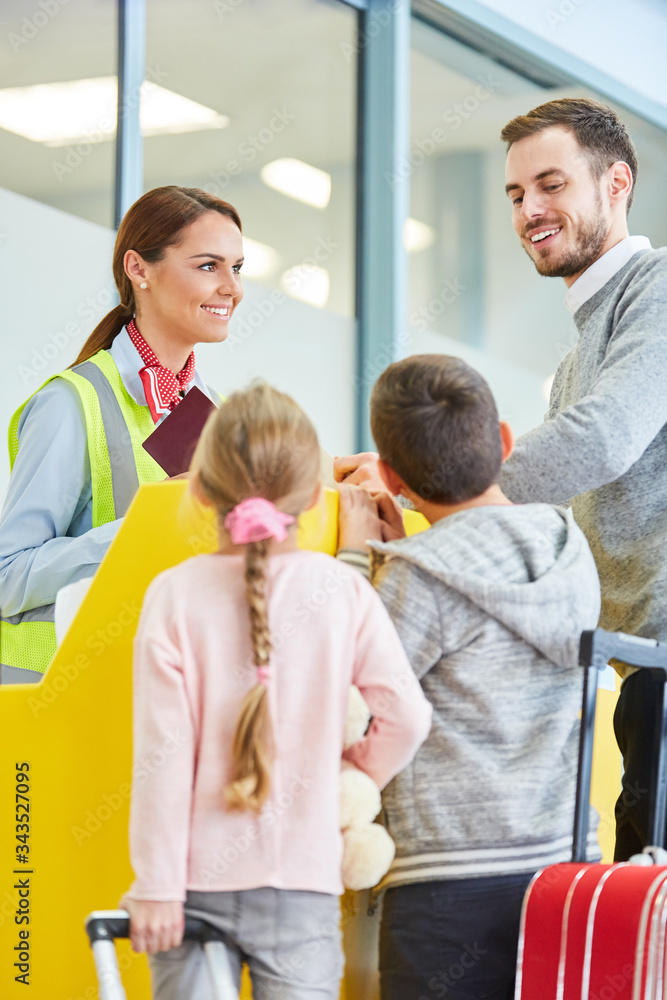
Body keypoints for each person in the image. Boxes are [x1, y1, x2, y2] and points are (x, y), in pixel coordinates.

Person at [335, 98, 667, 862]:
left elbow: (604, 439)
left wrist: (430, 497)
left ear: (616, 182)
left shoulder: (655, 289)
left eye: (551, 185)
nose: (530, 210)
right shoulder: (576, 358)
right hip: (639, 669)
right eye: (516, 195)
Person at [121, 382, 432, 1000]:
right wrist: (348, 775)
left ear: (201, 489)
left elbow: (163, 758)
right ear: (315, 498)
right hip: (303, 883)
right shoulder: (341, 592)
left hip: (190, 891)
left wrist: (156, 884)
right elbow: (408, 718)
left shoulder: (173, 595)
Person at [337, 354, 601, 1000]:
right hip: (565, 876)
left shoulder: (413, 578)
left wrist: (355, 559)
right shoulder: (569, 548)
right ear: (505, 441)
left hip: (446, 888)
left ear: (393, 478)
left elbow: (339, 680)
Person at [0, 185, 244, 684]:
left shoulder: (208, 407)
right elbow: (7, 575)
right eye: (208, 266)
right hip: (62, 696)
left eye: (236, 268)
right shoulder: (71, 402)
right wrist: (144, 531)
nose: (233, 289)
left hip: (157, 690)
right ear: (139, 269)